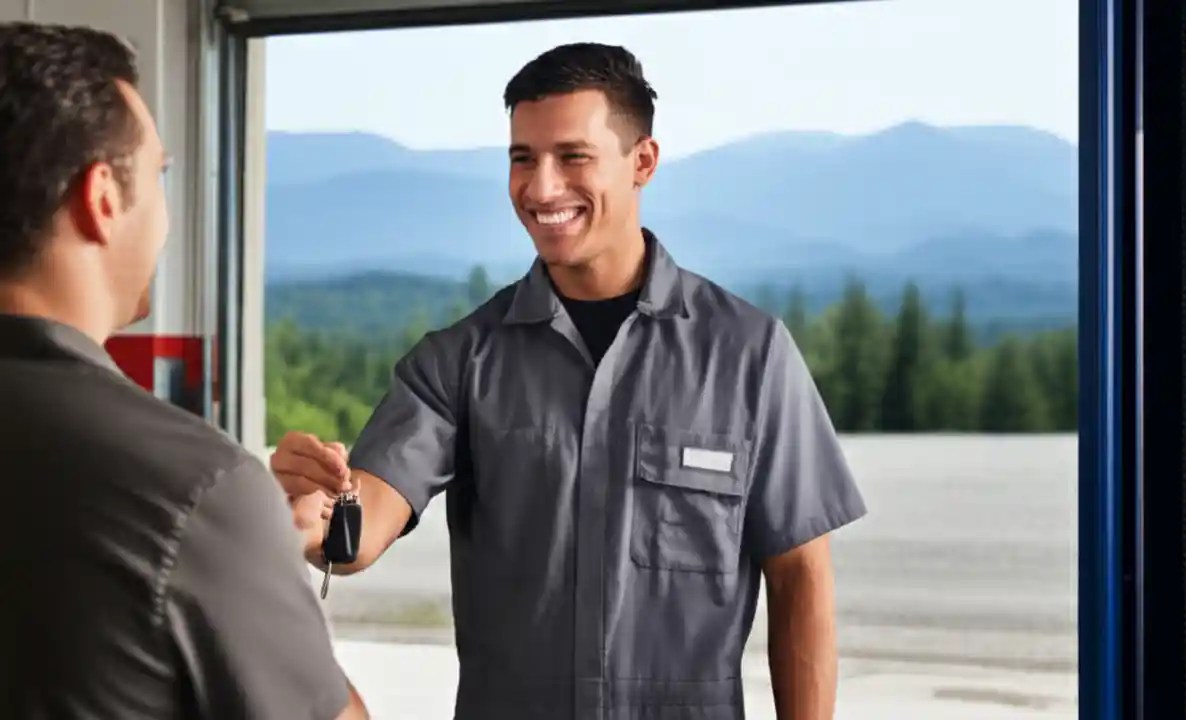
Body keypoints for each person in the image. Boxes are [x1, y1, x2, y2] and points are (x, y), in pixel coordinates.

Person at [275, 42, 866, 720]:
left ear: (642, 161)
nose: (541, 187)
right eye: (522, 158)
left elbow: (801, 581)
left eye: (572, 157)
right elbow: (365, 515)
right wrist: (322, 513)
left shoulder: (751, 355)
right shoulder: (460, 361)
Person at [0, 22, 367, 719]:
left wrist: (242, 551)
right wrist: (250, 561)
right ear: (102, 197)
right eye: (160, 175)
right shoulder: (195, 486)